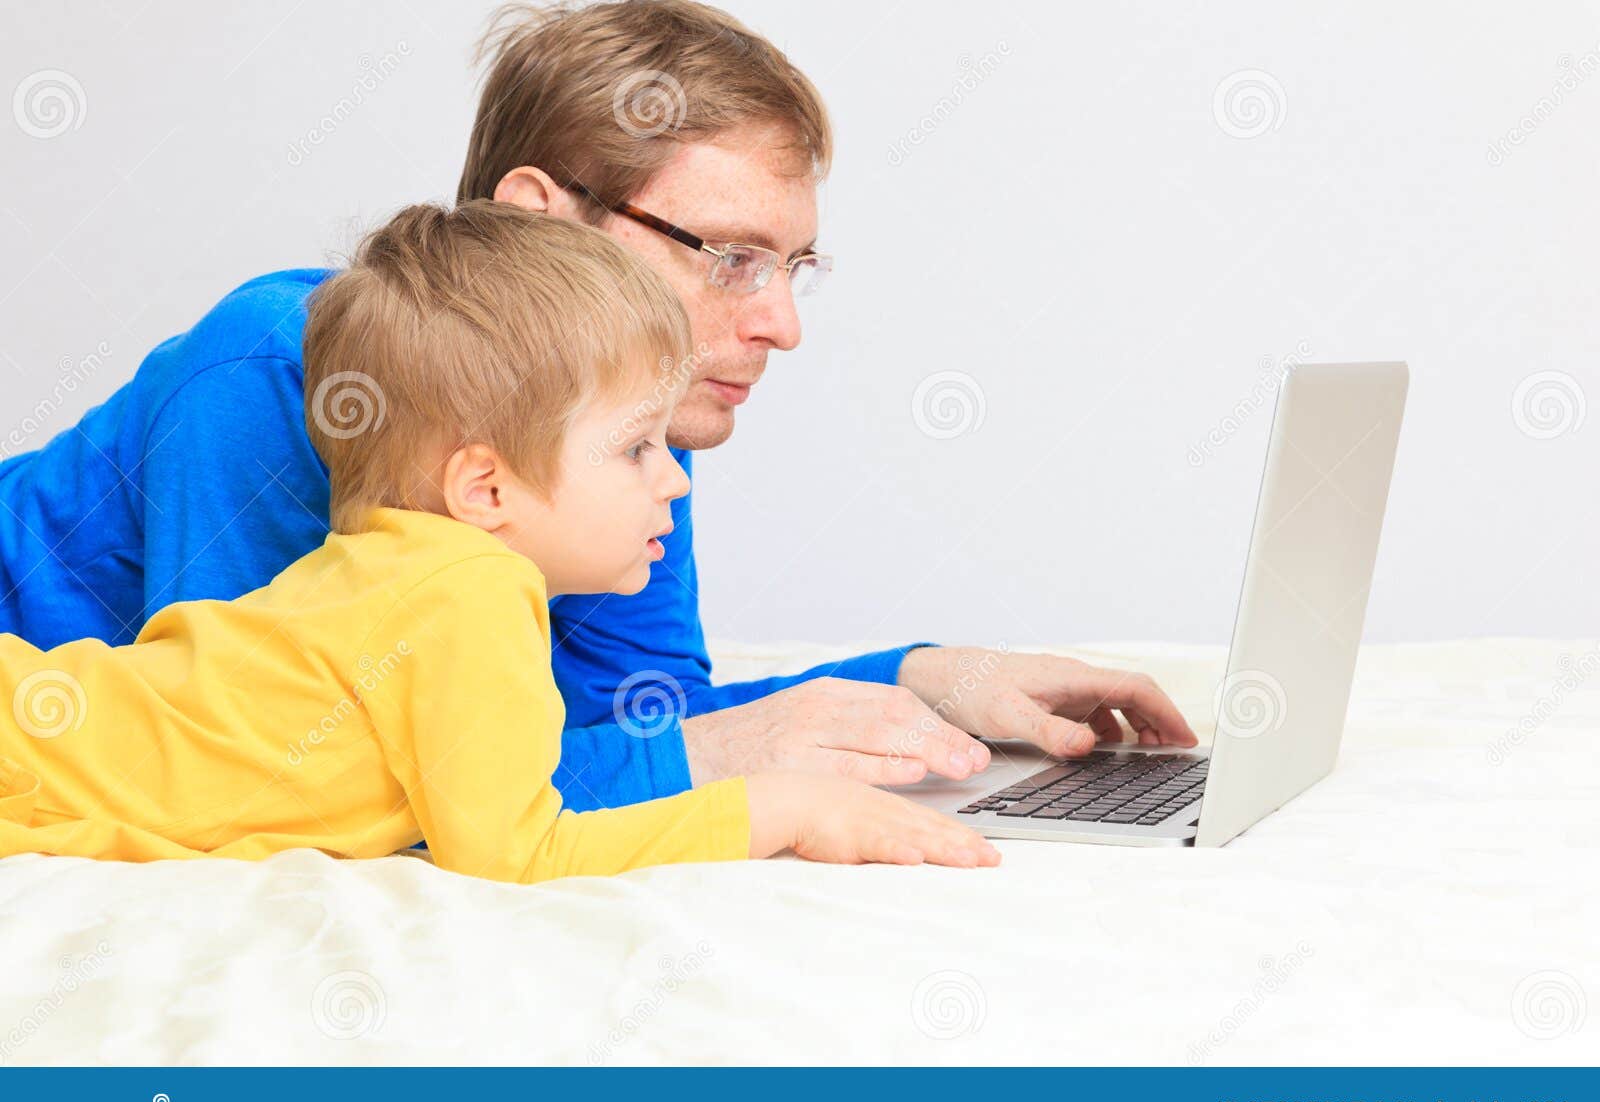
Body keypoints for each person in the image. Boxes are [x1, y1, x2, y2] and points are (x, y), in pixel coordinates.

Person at [0, 0, 1196, 817]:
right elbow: (261, 769)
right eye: (730, 255)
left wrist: (930, 677)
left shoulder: (626, 422)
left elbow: (628, 718)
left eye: (794, 266)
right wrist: (706, 759)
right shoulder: (284, 372)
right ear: (540, 216)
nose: (782, 325)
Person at [0, 201, 1001, 879]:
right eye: (637, 448)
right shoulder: (474, 589)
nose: (671, 479)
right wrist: (779, 809)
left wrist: (913, 671)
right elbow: (514, 849)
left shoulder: (383, 565)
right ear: (483, 484)